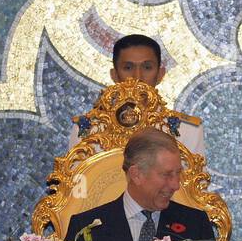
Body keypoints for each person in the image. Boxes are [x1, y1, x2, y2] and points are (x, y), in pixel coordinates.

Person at [68, 127, 216, 241]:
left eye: (178, 173)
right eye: (167, 174)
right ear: (136, 174)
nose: (175, 185)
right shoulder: (86, 228)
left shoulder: (196, 224)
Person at [68, 34, 204, 155]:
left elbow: (193, 181)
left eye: (147, 67)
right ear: (114, 75)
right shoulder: (88, 128)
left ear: (160, 74)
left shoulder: (186, 129)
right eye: (128, 68)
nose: (137, 77)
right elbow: (78, 181)